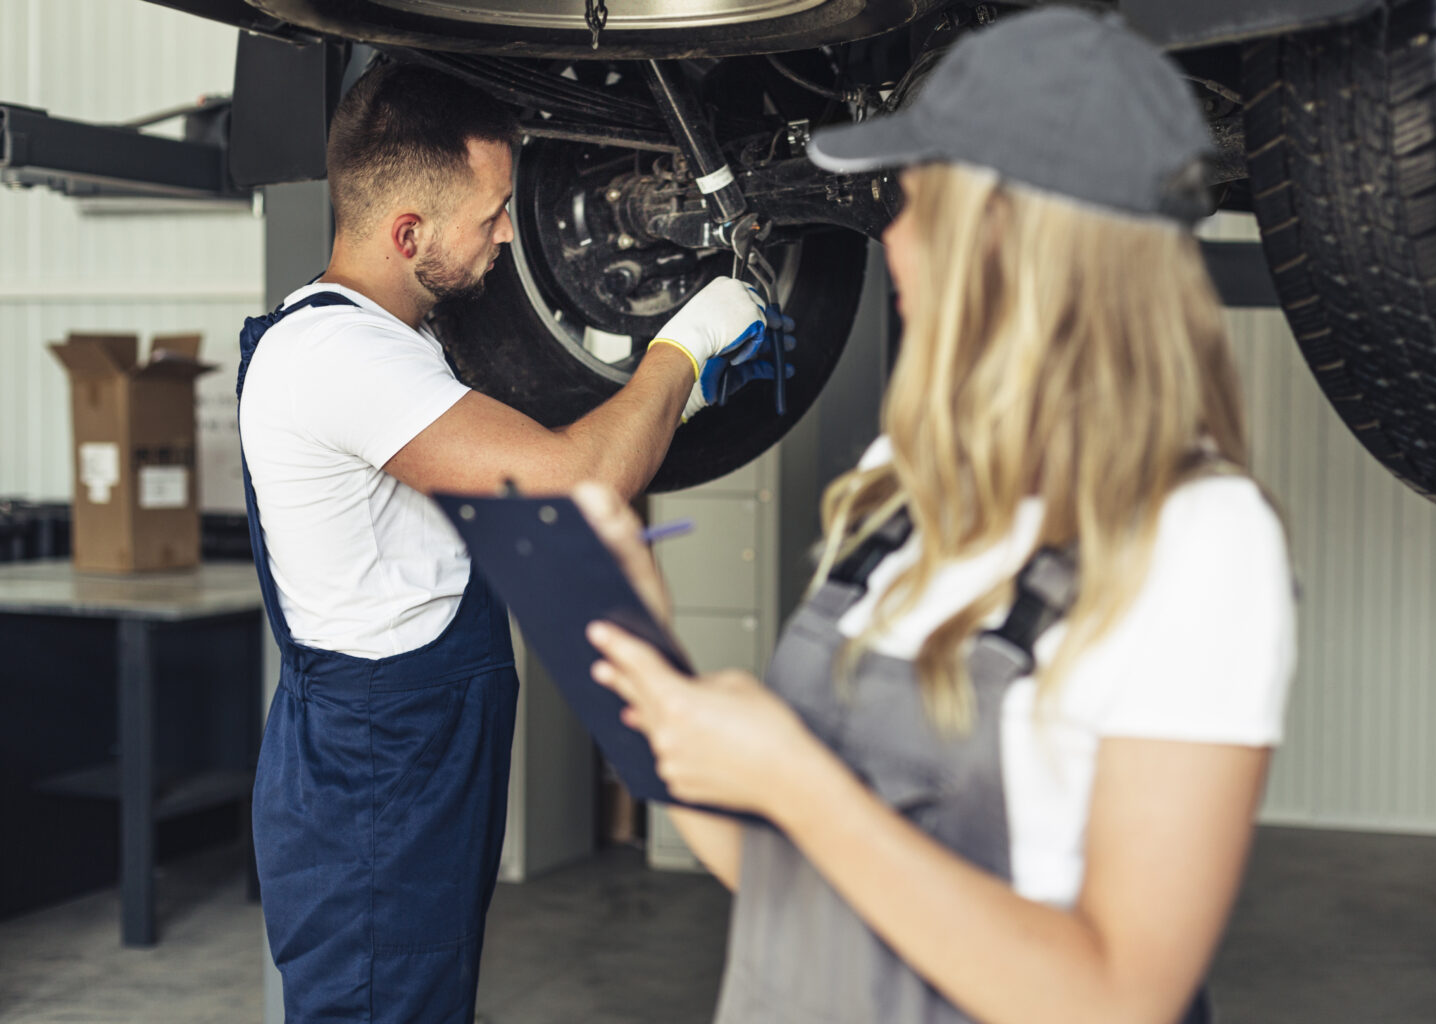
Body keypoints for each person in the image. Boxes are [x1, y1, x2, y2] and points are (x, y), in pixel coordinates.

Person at [576, 8, 1297, 1024]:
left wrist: (801, 785)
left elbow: (1120, 997)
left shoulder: (1200, 539)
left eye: (916, 196)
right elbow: (788, 879)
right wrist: (651, 663)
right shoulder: (905, 481)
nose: (893, 232)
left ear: (1011, 231)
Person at [236, 60, 768, 1022]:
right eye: (491, 214)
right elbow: (577, 483)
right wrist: (684, 347)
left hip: (410, 752)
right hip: (376, 777)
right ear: (409, 234)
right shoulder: (336, 356)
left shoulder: (396, 343)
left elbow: (534, 463)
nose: (508, 233)